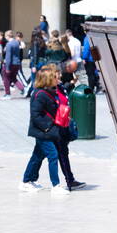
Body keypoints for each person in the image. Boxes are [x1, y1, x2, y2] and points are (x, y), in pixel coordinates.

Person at [22, 64, 69, 195]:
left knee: (37, 156)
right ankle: (56, 185)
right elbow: (35, 115)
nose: (57, 78)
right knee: (53, 155)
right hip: (43, 132)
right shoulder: (40, 94)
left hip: (47, 130)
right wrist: (47, 128)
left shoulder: (50, 92)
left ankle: (26, 181)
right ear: (48, 79)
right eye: (54, 77)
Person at [1, 30, 25, 99]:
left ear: (7, 36)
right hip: (17, 63)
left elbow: (8, 57)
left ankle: (7, 93)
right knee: (13, 78)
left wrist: (7, 68)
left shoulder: (9, 44)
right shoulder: (16, 43)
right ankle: (22, 89)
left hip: (10, 64)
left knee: (6, 78)